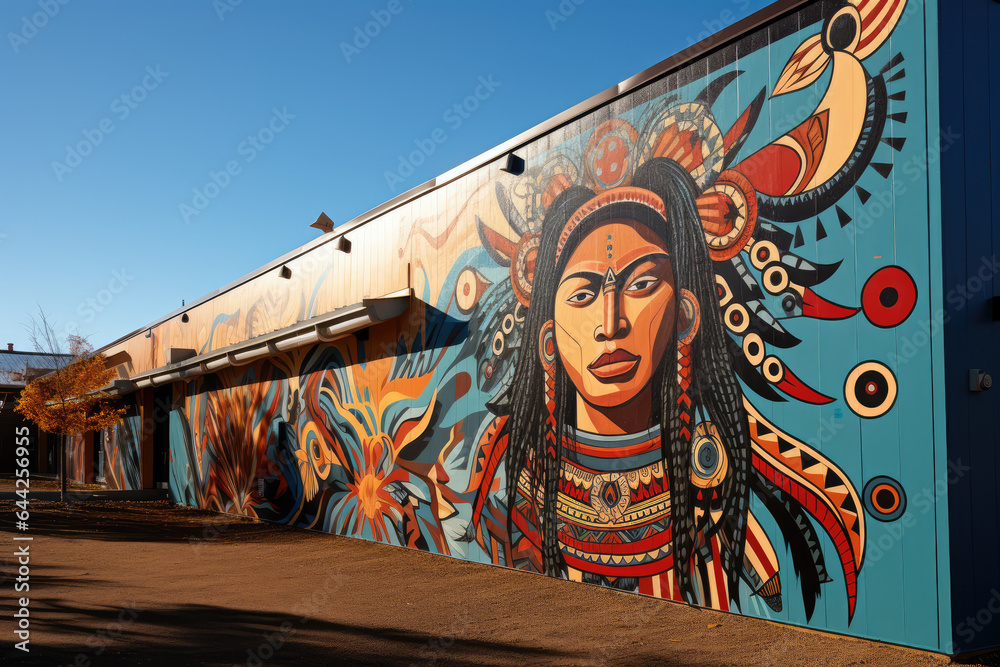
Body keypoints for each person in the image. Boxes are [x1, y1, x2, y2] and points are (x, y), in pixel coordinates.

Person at [471, 158, 764, 610]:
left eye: (642, 283)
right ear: (548, 338)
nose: (611, 324)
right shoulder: (508, 481)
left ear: (685, 315)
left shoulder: (721, 497)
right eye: (583, 295)